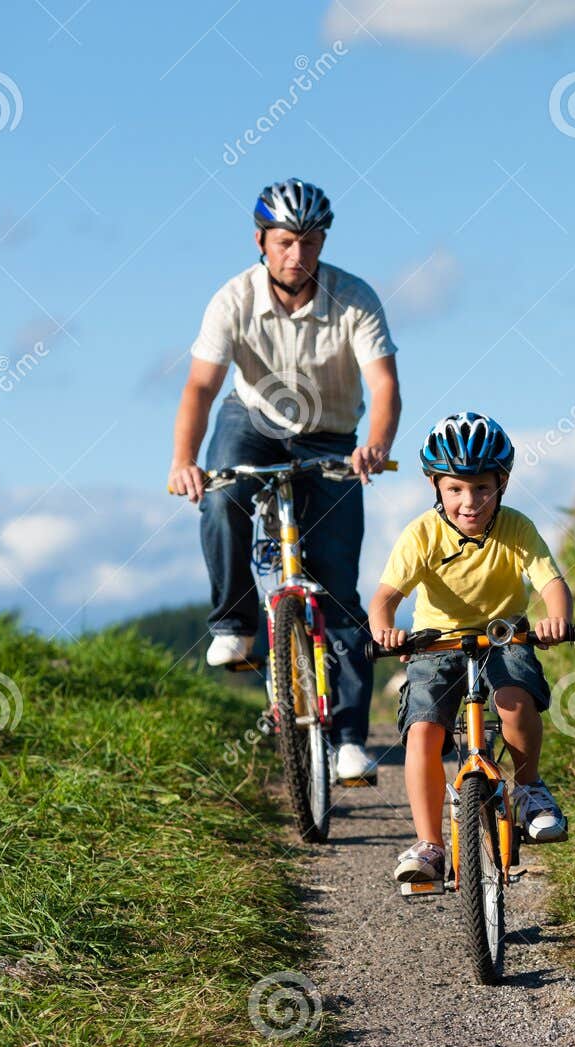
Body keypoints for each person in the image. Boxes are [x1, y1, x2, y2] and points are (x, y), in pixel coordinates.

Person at [168, 178, 401, 787]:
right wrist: (183, 459)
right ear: (261, 242)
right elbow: (200, 387)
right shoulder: (232, 300)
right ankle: (236, 625)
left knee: (338, 586)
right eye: (285, 242)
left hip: (329, 435)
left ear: (323, 241)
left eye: (310, 241)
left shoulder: (354, 298)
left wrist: (376, 444)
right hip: (252, 423)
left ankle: (349, 738)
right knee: (221, 498)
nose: (298, 255)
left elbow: (383, 386)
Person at [369, 412, 575, 883]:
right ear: (435, 487)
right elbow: (384, 599)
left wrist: (556, 618)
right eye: (456, 489)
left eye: (482, 488)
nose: (470, 502)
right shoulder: (421, 533)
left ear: (501, 485)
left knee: (515, 699)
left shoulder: (517, 528)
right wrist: (385, 631)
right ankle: (428, 845)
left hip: (506, 636)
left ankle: (528, 790)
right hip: (435, 644)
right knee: (424, 729)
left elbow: (552, 583)